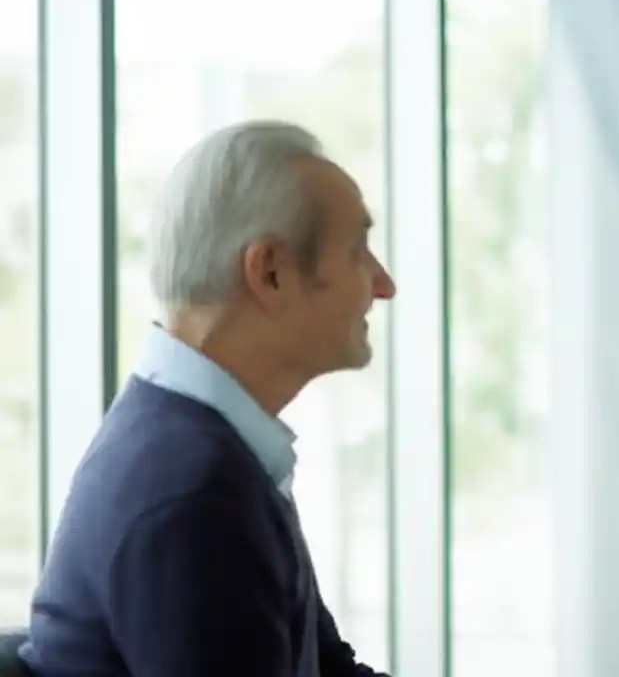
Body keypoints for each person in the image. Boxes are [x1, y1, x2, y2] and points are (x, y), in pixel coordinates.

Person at [19, 121, 396, 676]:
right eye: (359, 250)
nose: (383, 284)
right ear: (269, 272)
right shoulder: (193, 490)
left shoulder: (206, 451)